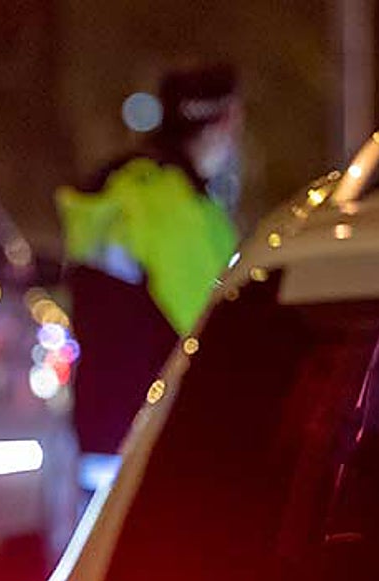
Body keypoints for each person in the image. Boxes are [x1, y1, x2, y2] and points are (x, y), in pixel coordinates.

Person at [56, 64, 242, 460]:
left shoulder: (122, 188)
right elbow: (216, 330)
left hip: (100, 427)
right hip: (157, 438)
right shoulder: (173, 205)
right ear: (225, 123)